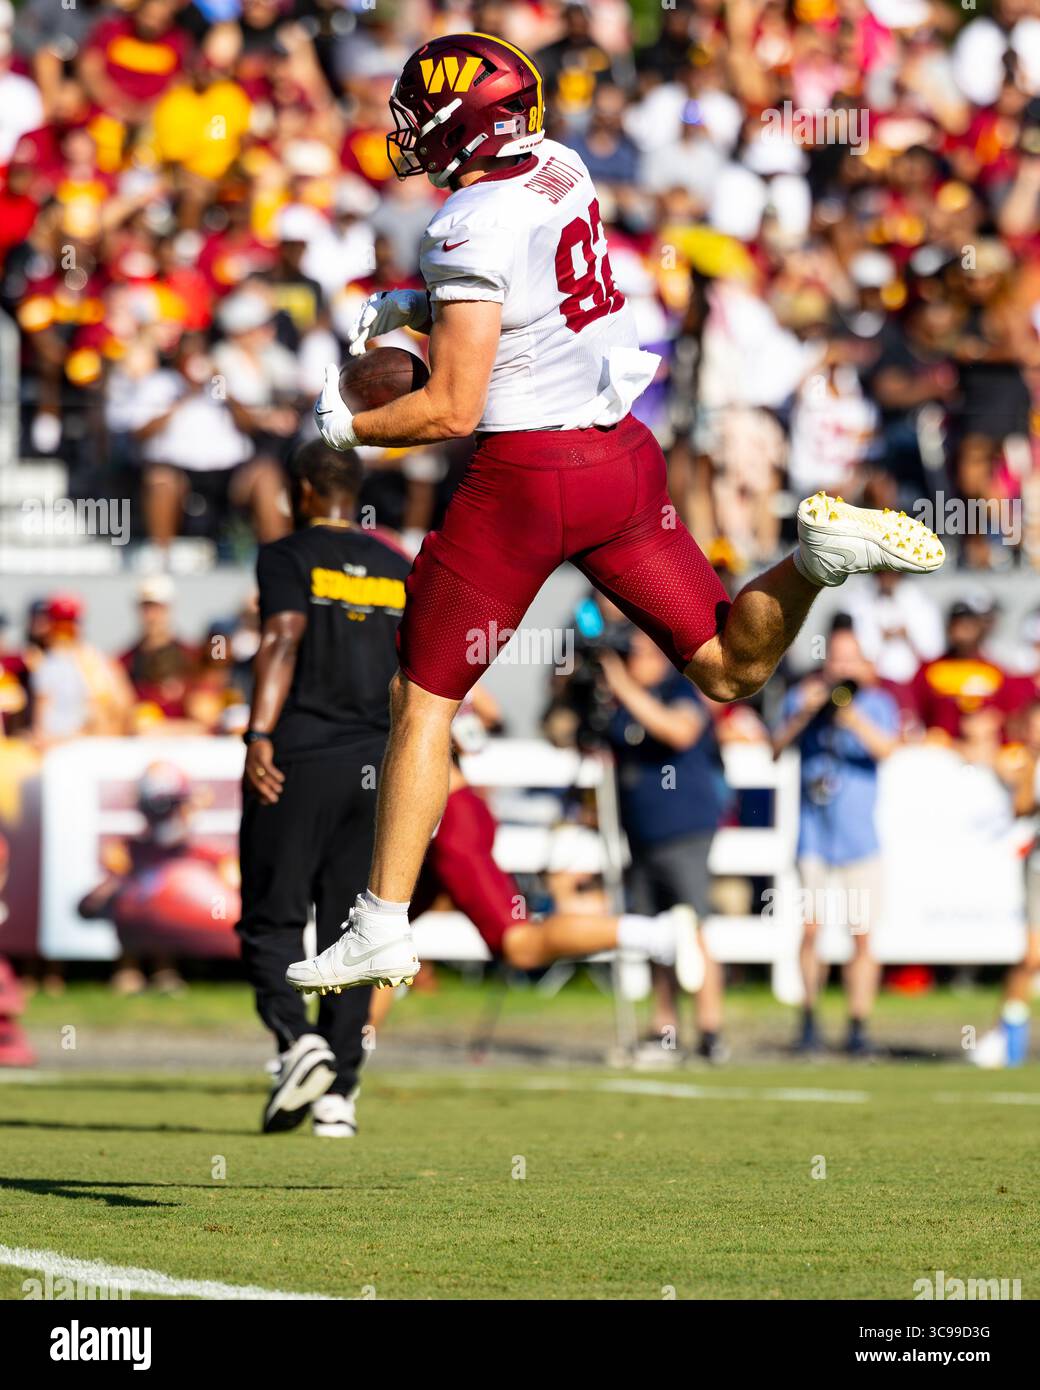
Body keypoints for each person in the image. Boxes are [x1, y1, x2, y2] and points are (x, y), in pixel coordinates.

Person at [289, 31, 944, 998]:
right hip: (623, 458)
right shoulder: (560, 166)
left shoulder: (466, 222)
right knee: (729, 668)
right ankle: (811, 560)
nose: (407, 128)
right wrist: (419, 305)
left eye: (419, 111)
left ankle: (381, 924)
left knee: (422, 699)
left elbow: (451, 409)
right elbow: (532, 302)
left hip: (525, 475)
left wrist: (346, 425)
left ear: (462, 120)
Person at [237, 440, 411, 1137]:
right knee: (352, 929)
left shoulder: (287, 555)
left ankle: (295, 1039)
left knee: (271, 919)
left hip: (298, 756)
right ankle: (339, 1091)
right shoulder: (399, 565)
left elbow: (281, 637)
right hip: (380, 765)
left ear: (306, 488)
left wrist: (258, 734)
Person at [772, 622, 900, 1055]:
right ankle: (808, 1023)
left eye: (850, 659)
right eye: (836, 658)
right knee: (811, 931)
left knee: (862, 936)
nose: (841, 667)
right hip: (814, 839)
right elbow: (774, 747)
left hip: (859, 842)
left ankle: (858, 1026)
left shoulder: (877, 703)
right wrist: (806, 713)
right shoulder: (803, 697)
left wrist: (851, 715)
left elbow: (887, 750)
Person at [601, 628, 728, 1062]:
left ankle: (710, 1030)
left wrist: (622, 687)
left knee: (692, 928)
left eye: (631, 653)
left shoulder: (679, 689)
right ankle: (665, 1028)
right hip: (640, 834)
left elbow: (680, 732)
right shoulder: (620, 705)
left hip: (684, 830)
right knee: (656, 935)